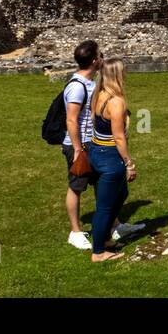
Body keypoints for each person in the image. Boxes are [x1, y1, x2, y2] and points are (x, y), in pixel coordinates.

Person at [63, 41, 143, 251]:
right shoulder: (77, 86)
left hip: (95, 143)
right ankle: (76, 232)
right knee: (76, 186)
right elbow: (71, 120)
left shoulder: (94, 85)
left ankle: (115, 225)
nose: (102, 56)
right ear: (94, 60)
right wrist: (78, 148)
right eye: (100, 54)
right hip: (81, 145)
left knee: (105, 187)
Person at [87, 58, 139, 262]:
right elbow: (118, 137)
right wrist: (129, 163)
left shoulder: (99, 94)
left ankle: (105, 238)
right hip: (109, 156)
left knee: (121, 192)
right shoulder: (116, 102)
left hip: (96, 151)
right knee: (105, 206)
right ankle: (98, 251)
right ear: (118, 75)